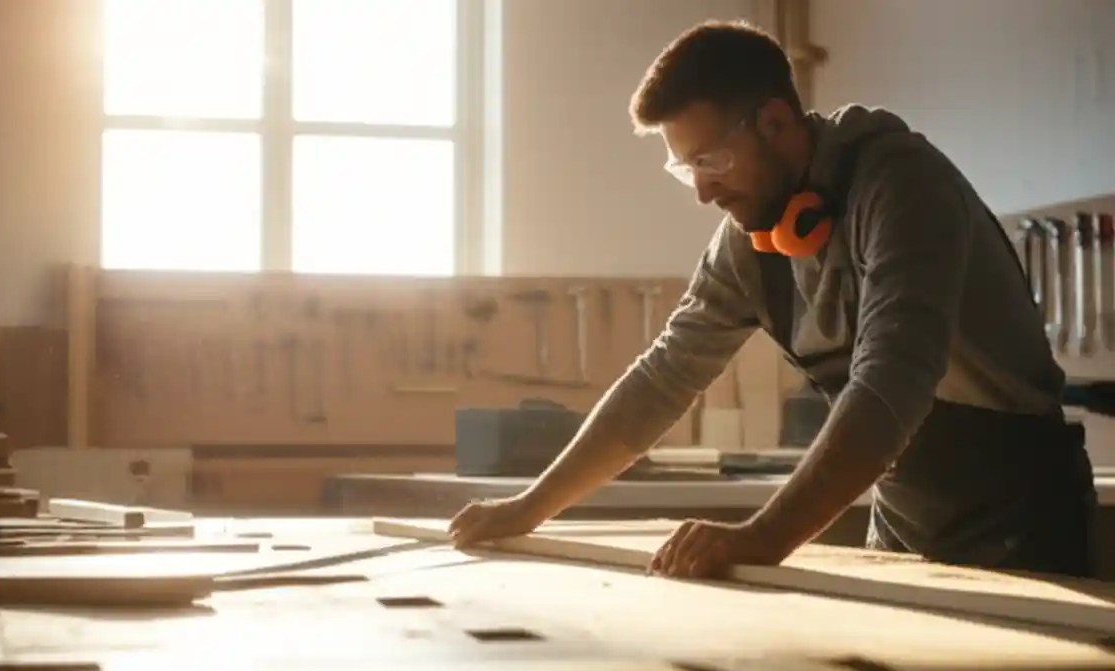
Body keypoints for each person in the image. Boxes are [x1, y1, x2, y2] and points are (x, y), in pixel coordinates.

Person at [447, 20, 1097, 579]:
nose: (703, 191)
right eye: (687, 169)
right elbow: (659, 381)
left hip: (1021, 523)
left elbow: (890, 385)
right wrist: (526, 509)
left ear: (778, 122)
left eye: (713, 161)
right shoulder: (749, 239)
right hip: (907, 523)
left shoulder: (901, 187)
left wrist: (762, 537)